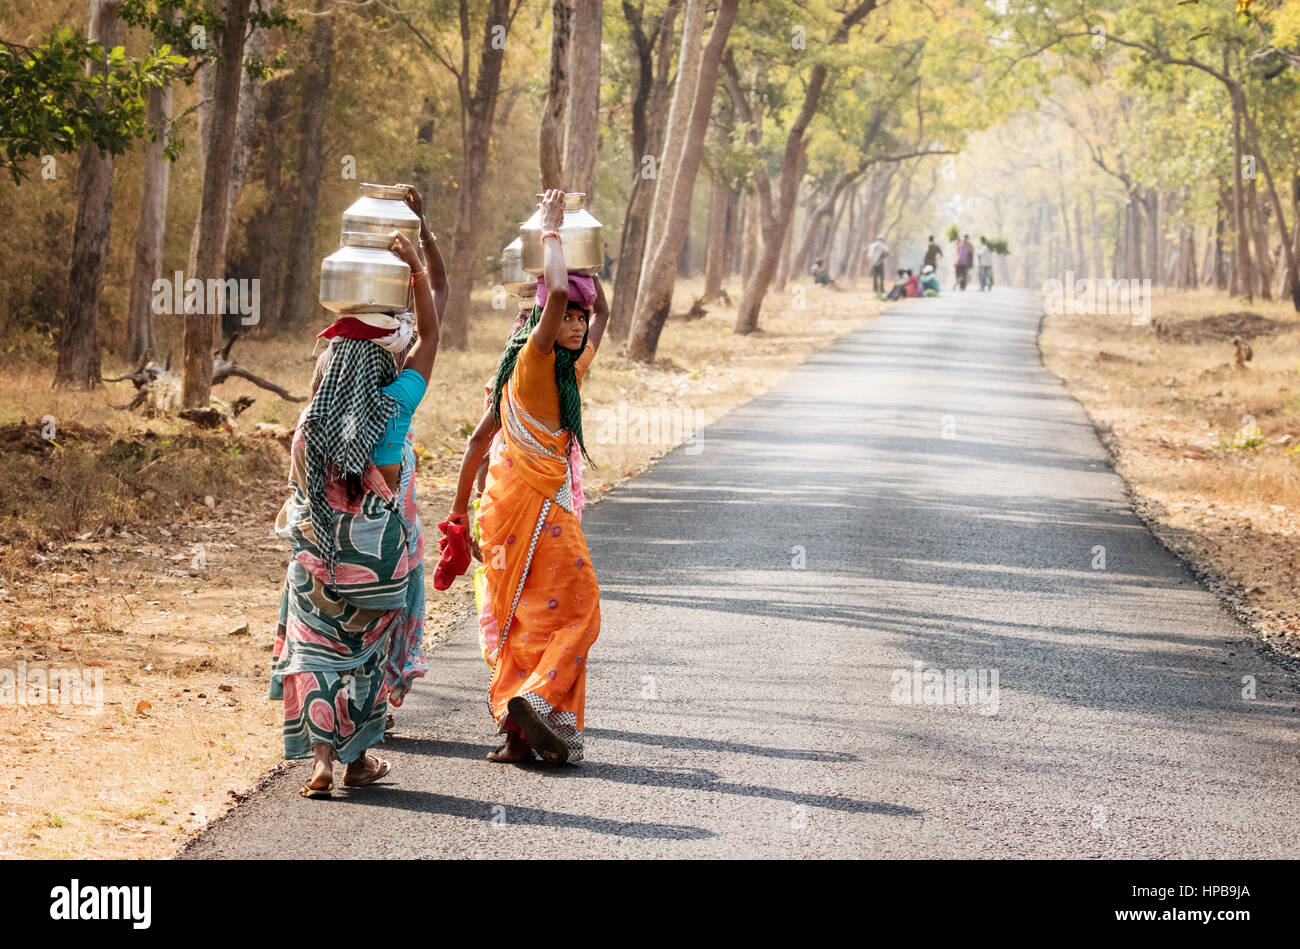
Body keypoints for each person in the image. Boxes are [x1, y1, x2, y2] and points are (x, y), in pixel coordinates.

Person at [273, 185, 447, 799]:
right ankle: (358, 761)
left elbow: (301, 499)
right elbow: (432, 332)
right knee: (365, 656)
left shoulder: (309, 428)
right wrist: (419, 258)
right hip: (378, 558)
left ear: (331, 367)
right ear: (383, 363)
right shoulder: (396, 407)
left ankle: (322, 763)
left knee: (316, 651)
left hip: (316, 557)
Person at [439, 189, 608, 765]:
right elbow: (556, 293)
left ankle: (519, 733)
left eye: (581, 318)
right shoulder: (537, 359)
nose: (579, 323)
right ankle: (535, 696)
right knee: (581, 605)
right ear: (544, 322)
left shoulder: (569, 370)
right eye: (570, 318)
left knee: (529, 613)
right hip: (533, 508)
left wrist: (588, 267)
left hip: (504, 506)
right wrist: (554, 233)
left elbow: (599, 311)